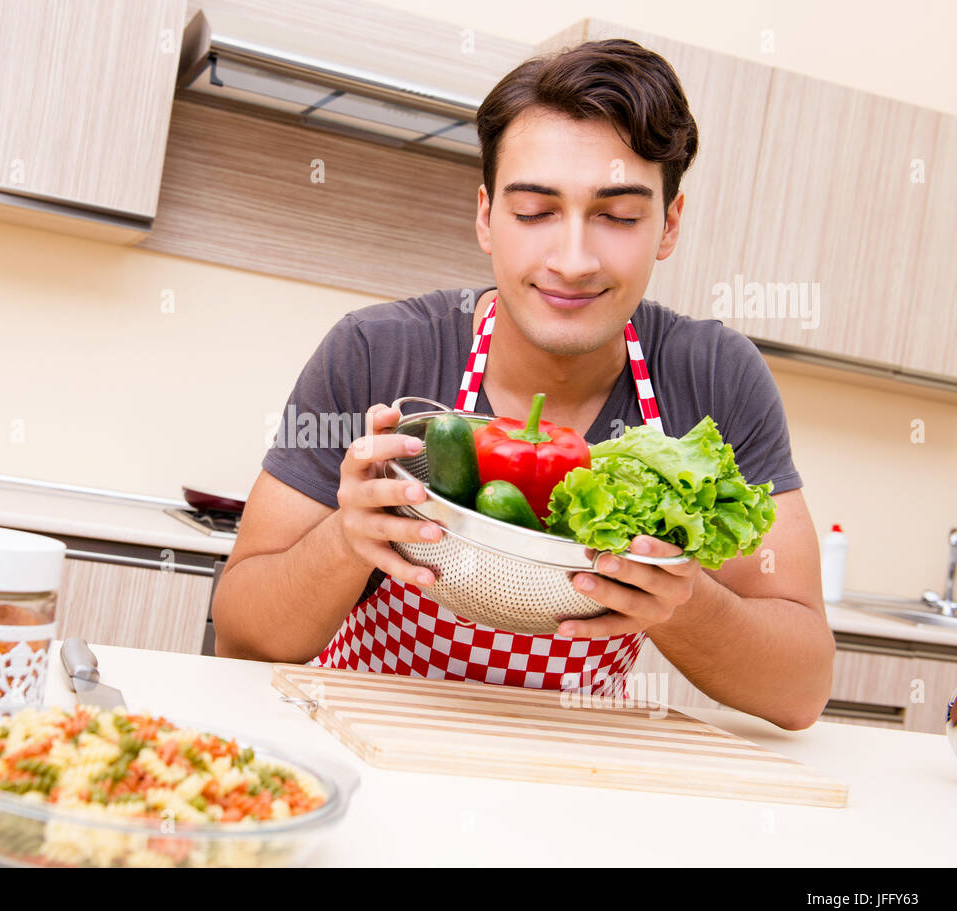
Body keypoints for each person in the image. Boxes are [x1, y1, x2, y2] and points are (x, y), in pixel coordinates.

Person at [211, 38, 833, 731]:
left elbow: (800, 688)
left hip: (572, 775)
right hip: (365, 751)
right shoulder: (375, 353)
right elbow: (240, 634)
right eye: (535, 211)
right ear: (485, 216)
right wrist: (343, 541)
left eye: (619, 215)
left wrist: (677, 599)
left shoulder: (713, 376)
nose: (572, 260)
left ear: (669, 224)